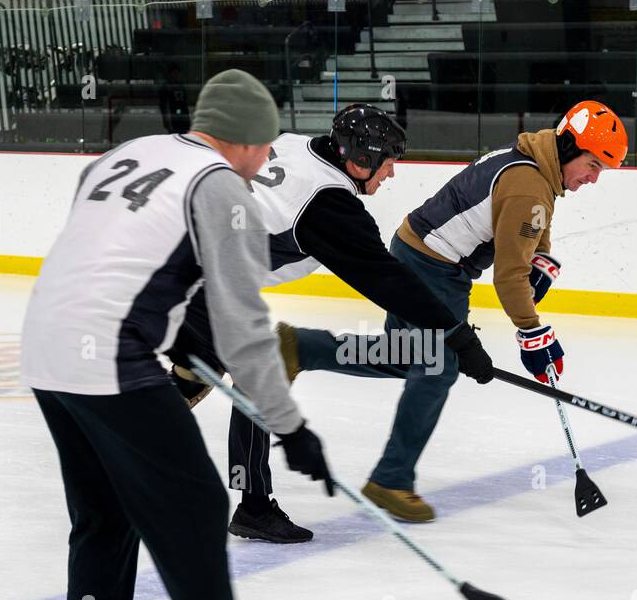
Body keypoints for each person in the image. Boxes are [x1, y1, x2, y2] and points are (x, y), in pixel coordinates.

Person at [20, 69, 328, 600]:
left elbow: (124, 262)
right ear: (242, 139)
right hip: (108, 353)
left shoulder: (127, 155)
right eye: (266, 144)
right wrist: (291, 426)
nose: (269, 157)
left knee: (104, 510)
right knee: (196, 508)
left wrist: (182, 342)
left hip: (46, 348)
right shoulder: (219, 186)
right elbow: (245, 326)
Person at [283, 101, 628, 523]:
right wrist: (532, 334)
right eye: (593, 166)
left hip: (419, 254)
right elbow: (509, 277)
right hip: (433, 268)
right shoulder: (529, 184)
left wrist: (544, 258)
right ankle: (391, 481)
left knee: (407, 358)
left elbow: (534, 224)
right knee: (436, 369)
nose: (592, 179)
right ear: (571, 147)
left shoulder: (532, 164)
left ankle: (301, 347)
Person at [169, 104, 494, 543]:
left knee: (194, 378)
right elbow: (388, 280)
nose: (391, 175)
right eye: (388, 164)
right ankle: (253, 507)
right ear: (360, 160)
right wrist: (455, 335)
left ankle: (118, 444)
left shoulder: (293, 144)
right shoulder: (328, 204)